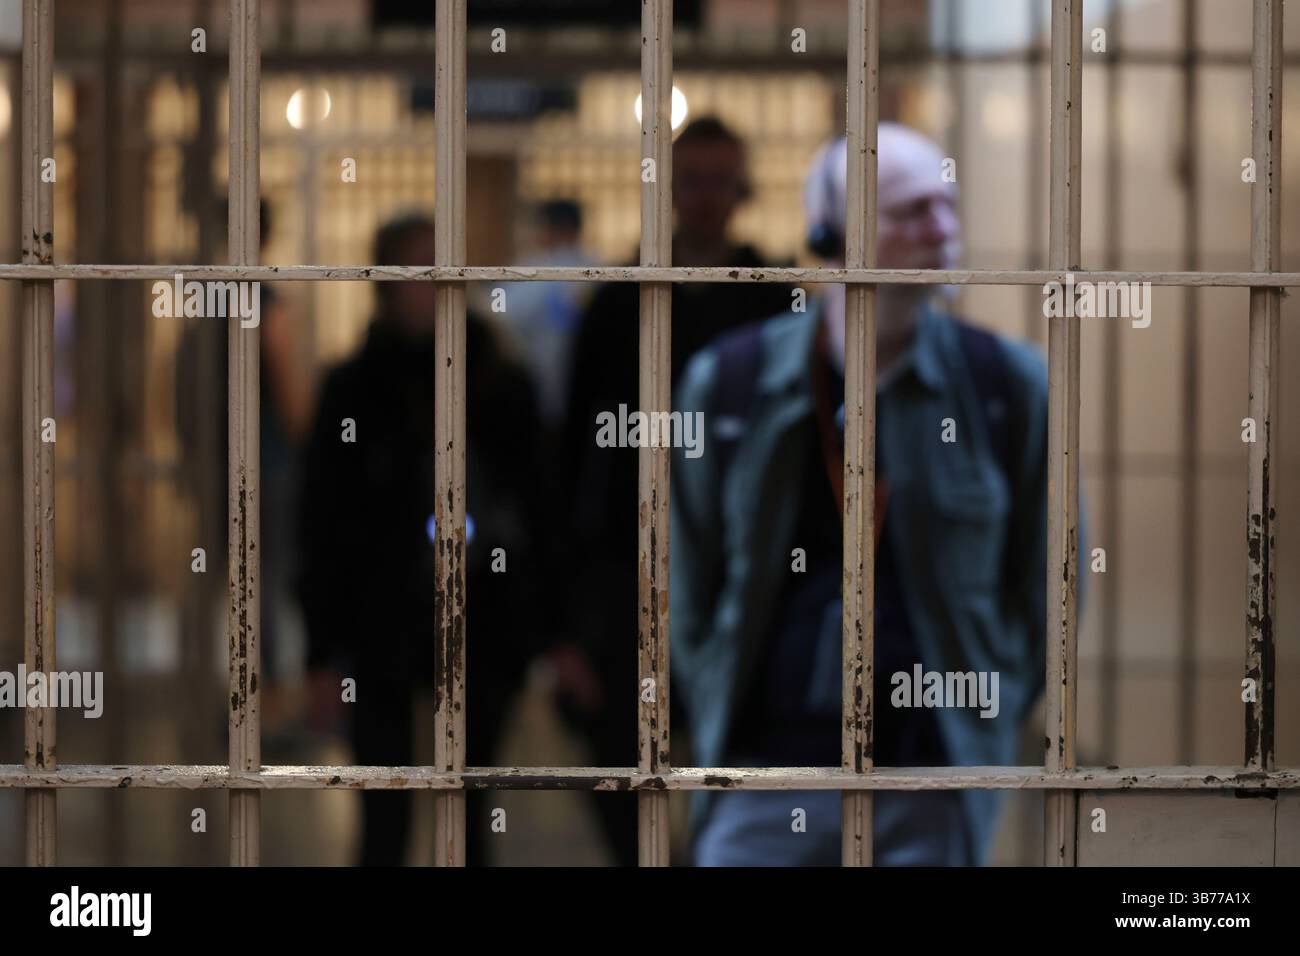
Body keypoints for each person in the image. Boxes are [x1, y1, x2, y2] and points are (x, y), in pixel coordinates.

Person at [671, 124, 1083, 866]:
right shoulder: (729, 384)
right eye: (911, 212)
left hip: (931, 774)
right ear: (830, 233)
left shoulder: (1005, 388)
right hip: (761, 768)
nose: (943, 230)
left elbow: (1049, 580)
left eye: (948, 206)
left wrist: (991, 712)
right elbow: (684, 575)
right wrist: (710, 697)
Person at [556, 116, 793, 866]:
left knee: (741, 758)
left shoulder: (771, 299)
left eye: (720, 179)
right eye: (691, 179)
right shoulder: (622, 303)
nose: (706, 197)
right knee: (624, 757)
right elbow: (581, 450)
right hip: (635, 562)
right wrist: (571, 612)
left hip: (744, 563)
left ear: (742, 188)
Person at [295, 213, 547, 866]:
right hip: (379, 618)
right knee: (383, 811)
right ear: (385, 281)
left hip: (484, 617)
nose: (435, 284)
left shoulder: (501, 385)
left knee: (472, 806)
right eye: (417, 269)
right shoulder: (352, 388)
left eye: (445, 267)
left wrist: (539, 624)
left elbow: (539, 509)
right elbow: (321, 524)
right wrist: (322, 650)